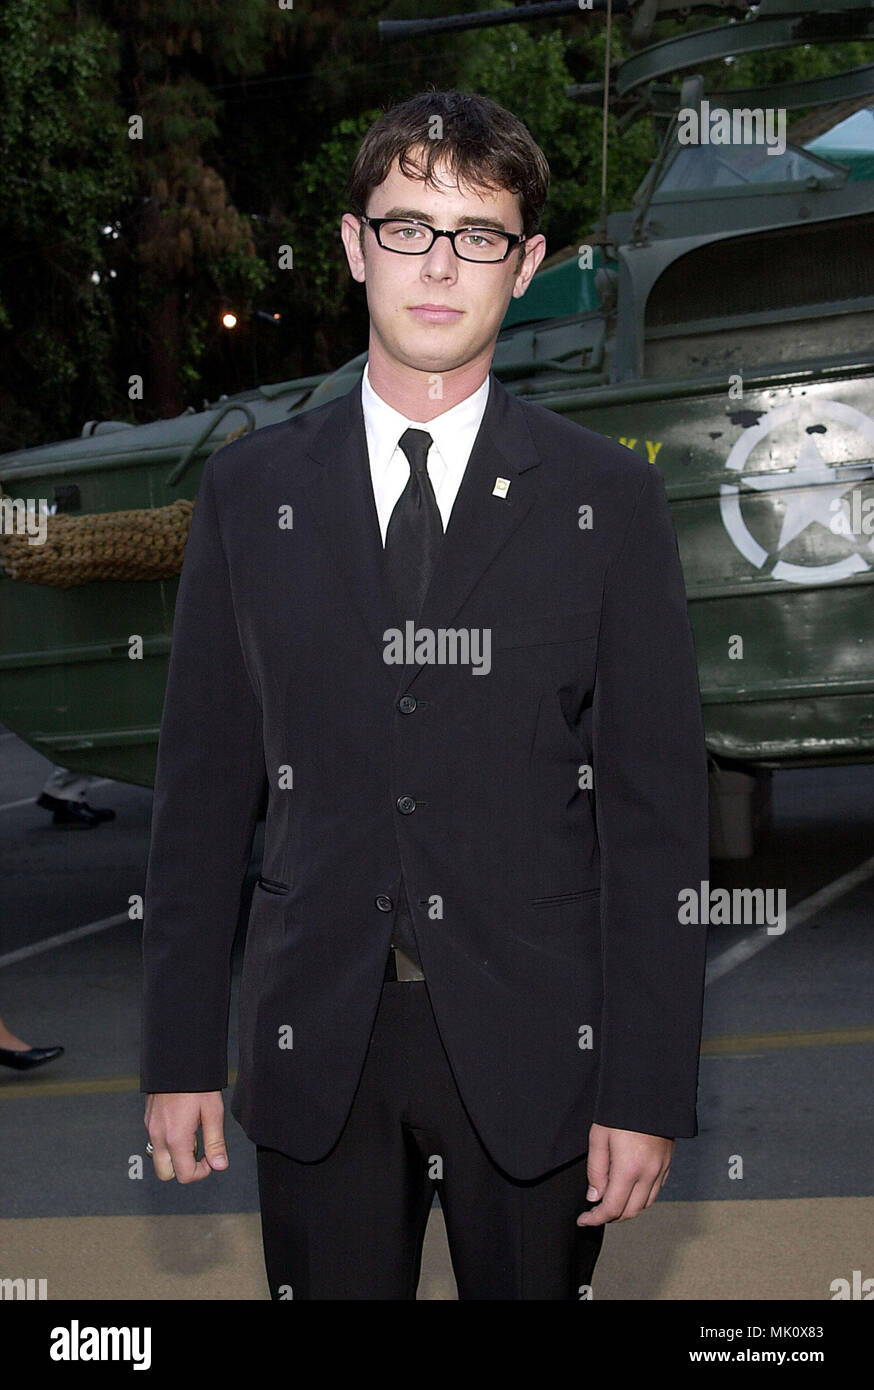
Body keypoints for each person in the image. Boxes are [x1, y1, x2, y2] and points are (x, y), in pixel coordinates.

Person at [141, 89, 710, 1300]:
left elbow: (658, 822)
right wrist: (178, 1053)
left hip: (540, 1046)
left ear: (528, 264)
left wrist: (647, 1086)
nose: (440, 266)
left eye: (478, 234)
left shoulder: (606, 500)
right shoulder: (250, 495)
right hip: (318, 1043)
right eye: (408, 228)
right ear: (354, 246)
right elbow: (199, 798)